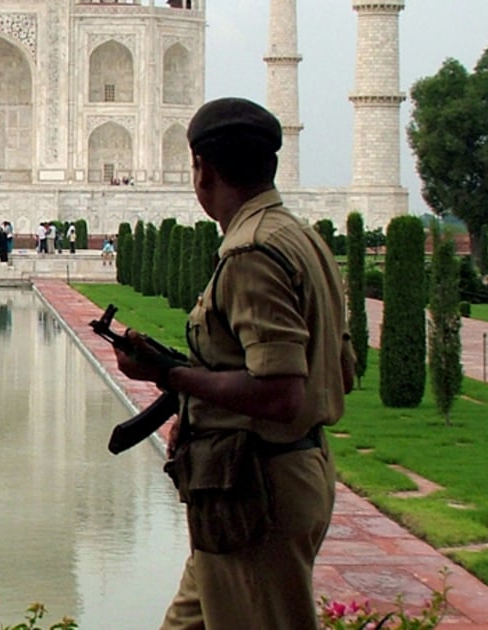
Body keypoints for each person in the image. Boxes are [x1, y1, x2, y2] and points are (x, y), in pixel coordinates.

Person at [112, 97, 355, 629]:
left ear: (203, 169)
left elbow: (280, 393)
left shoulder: (251, 252)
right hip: (248, 481)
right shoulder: (299, 237)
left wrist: (169, 375)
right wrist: (199, 405)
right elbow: (335, 369)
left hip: (257, 489)